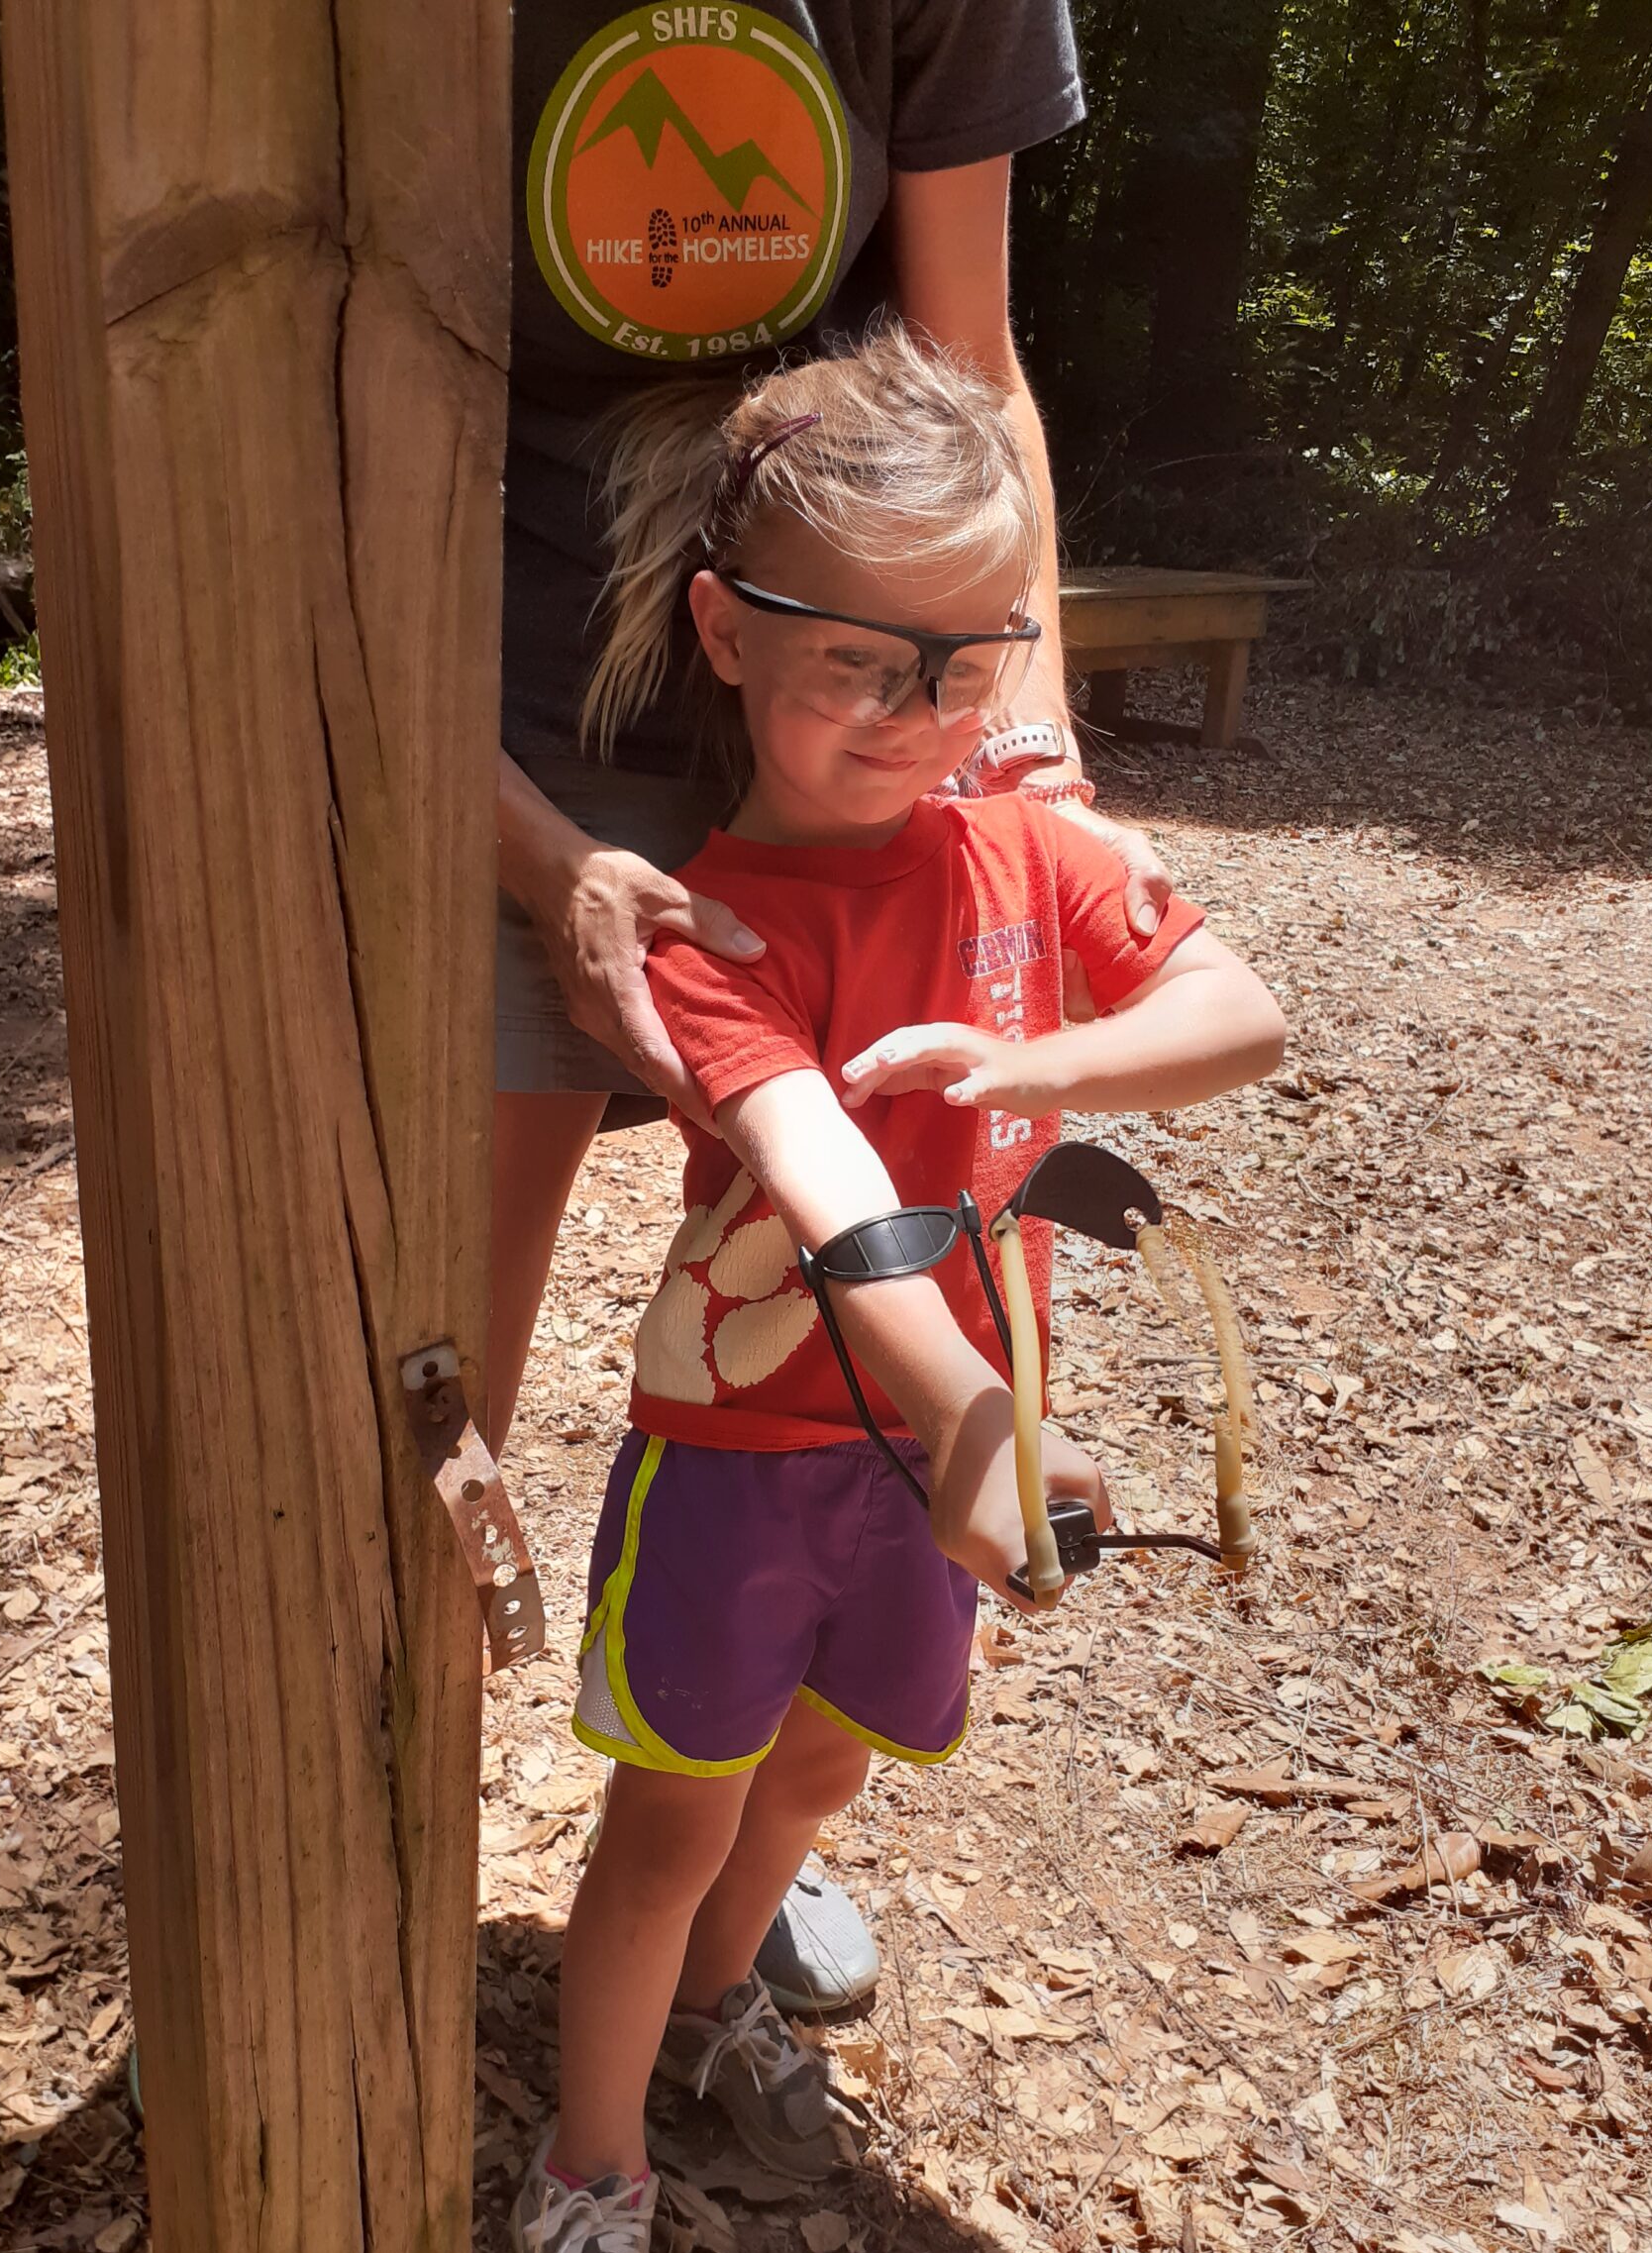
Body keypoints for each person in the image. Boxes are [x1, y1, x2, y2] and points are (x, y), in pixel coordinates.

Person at [508, 332, 1286, 2253]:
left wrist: (1036, 1064)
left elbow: (1238, 1008)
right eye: (867, 661)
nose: (930, 716)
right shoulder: (713, 923)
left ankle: (710, 2008)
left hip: (937, 1460)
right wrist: (971, 1427)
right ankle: (588, 2182)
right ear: (724, 639)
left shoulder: (1022, 851)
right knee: (672, 1812)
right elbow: (837, 1208)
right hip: (756, 1453)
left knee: (830, 1774)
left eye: (976, 659)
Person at [499, 0, 1176, 2014]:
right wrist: (545, 862)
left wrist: (1019, 722)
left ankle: (743, 1793)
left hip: (856, 631)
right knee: (437, 1338)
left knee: (873, 1206)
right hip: (517, 651)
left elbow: (964, 338)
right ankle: (386, 1823)